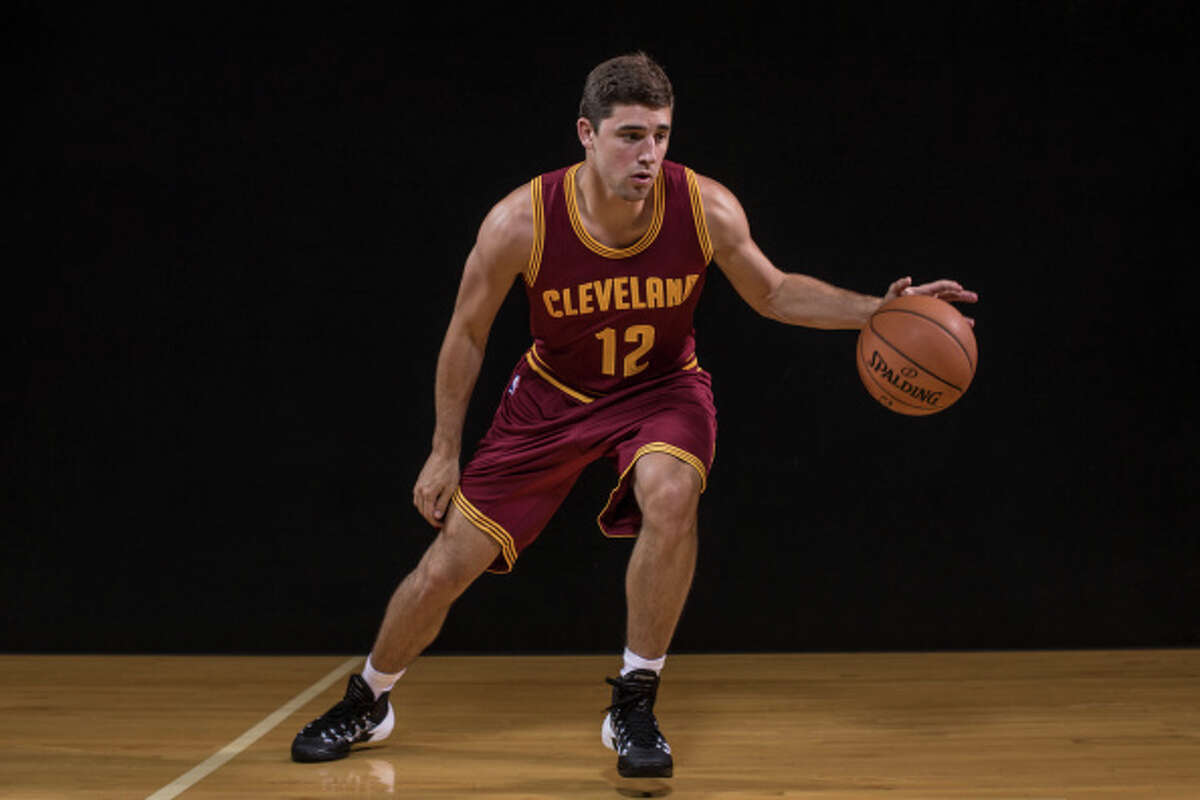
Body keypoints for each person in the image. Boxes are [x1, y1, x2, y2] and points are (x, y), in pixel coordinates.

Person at [290, 52, 977, 777]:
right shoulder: (519, 222)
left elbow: (773, 292)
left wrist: (881, 310)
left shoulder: (702, 206)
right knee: (444, 568)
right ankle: (370, 696)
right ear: (586, 133)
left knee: (671, 492)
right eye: (629, 136)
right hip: (552, 398)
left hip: (662, 390)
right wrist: (442, 448)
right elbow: (466, 333)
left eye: (660, 135)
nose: (648, 153)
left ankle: (635, 701)